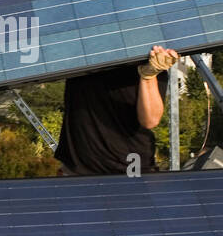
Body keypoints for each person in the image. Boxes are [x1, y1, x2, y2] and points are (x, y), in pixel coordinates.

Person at [55, 46, 178, 175]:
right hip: (78, 169)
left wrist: (148, 75)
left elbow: (150, 120)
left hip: (130, 170)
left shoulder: (151, 62)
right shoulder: (81, 50)